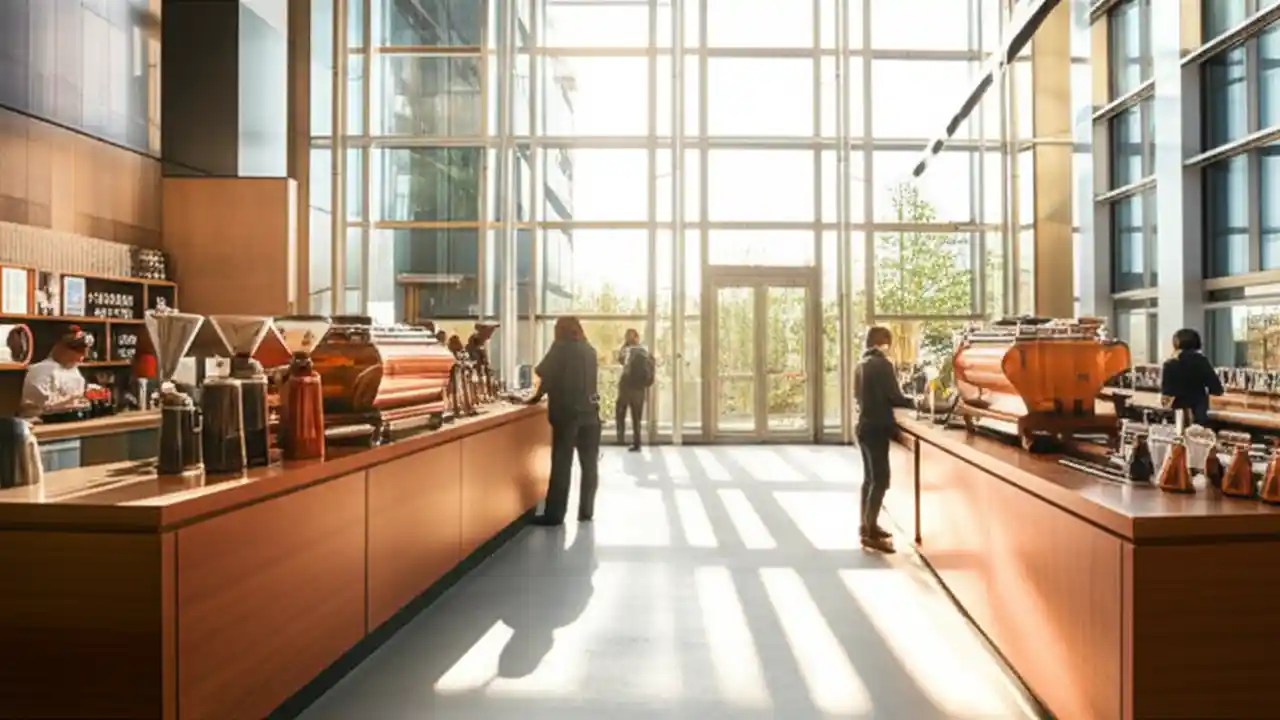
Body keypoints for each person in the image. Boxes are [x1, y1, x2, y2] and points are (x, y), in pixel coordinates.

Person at [528, 316, 602, 526]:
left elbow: (544, 374)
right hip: (591, 413)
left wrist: (534, 397)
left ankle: (555, 514)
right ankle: (586, 511)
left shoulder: (561, 348)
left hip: (567, 414)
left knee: (562, 464)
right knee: (589, 465)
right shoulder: (590, 351)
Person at [853, 326, 916, 554]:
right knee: (880, 480)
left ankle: (867, 525)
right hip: (878, 428)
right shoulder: (883, 365)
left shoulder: (861, 365)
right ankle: (870, 534)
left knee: (869, 479)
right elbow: (895, 397)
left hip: (863, 426)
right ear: (882, 343)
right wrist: (916, 402)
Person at [20, 326, 91, 420]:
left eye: (83, 352)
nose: (81, 357)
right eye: (76, 350)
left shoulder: (74, 370)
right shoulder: (41, 370)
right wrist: (71, 401)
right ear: (59, 348)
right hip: (41, 424)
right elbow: (41, 407)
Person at [1159, 328, 1224, 426]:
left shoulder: (1169, 364)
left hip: (1177, 415)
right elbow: (1216, 389)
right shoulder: (1202, 361)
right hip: (1198, 413)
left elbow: (1166, 394)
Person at [615, 328, 653, 451]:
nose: (628, 339)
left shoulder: (629, 351)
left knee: (621, 411)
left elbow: (620, 360)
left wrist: (626, 345)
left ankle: (621, 438)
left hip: (628, 387)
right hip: (638, 389)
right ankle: (636, 442)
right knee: (636, 416)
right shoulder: (644, 350)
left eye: (629, 337)